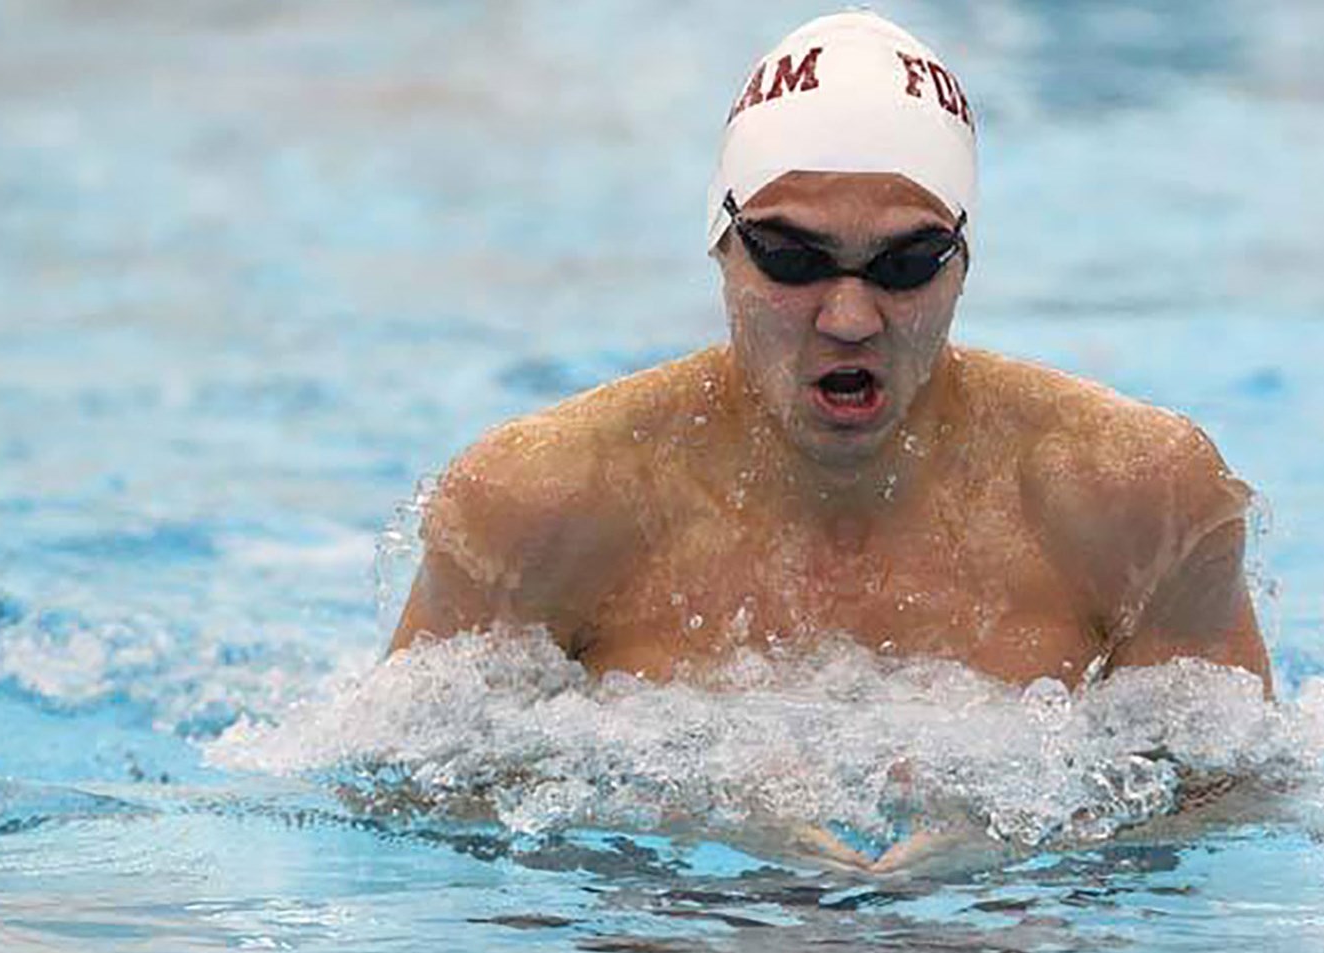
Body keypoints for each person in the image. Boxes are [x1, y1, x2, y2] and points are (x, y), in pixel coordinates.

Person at [390, 13, 1269, 718]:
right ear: (722, 246)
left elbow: (1228, 811)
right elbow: (402, 803)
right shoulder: (541, 507)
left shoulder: (1135, 503)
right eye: (793, 257)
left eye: (905, 264)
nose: (849, 317)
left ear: (963, 262)